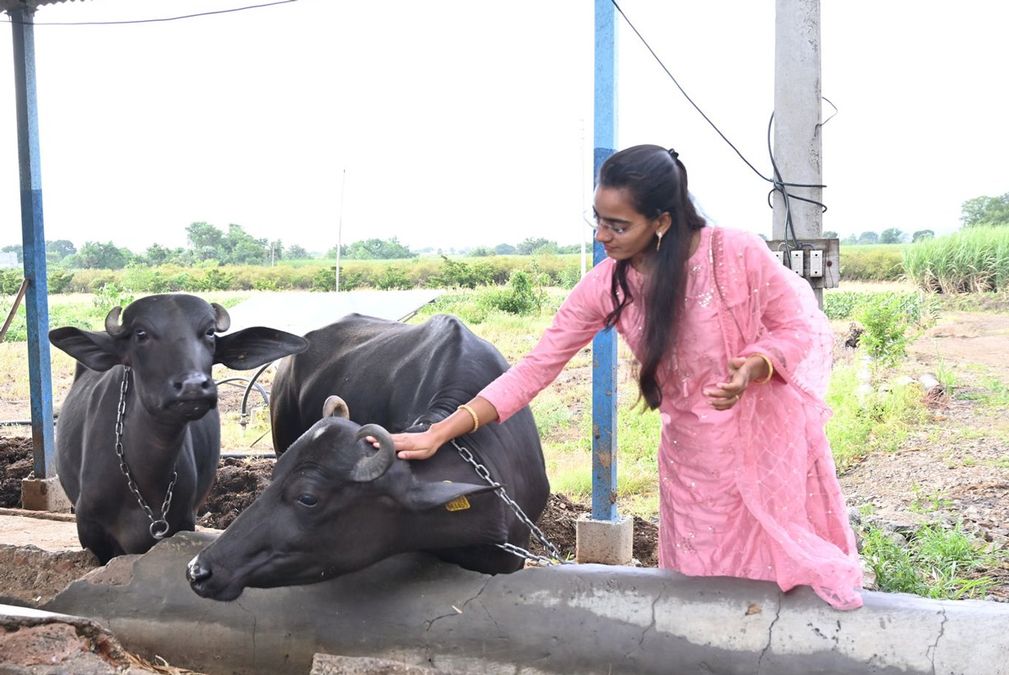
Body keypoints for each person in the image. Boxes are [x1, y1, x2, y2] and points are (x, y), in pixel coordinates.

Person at [391, 144, 863, 610]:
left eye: (618, 225)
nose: (603, 236)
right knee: (699, 594)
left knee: (780, 583)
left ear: (662, 222)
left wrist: (759, 363)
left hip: (766, 450)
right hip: (693, 465)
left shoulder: (735, 253)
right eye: (597, 219)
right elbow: (537, 367)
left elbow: (800, 325)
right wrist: (442, 431)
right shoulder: (608, 285)